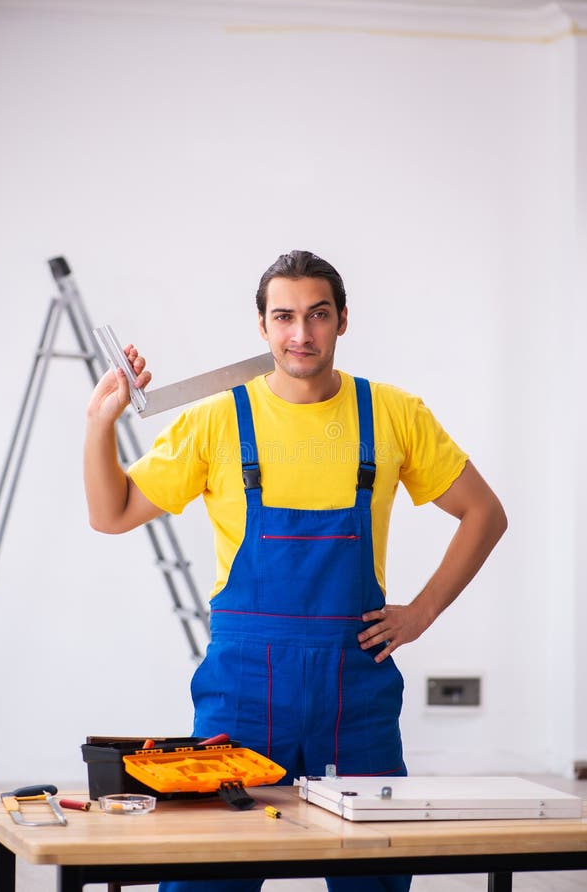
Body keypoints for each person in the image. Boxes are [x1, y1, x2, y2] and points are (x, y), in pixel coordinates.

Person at [84, 250, 507, 892]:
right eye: (284, 316)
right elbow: (110, 514)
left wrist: (421, 613)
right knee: (208, 875)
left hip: (355, 689)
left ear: (342, 322)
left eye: (318, 315)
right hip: (244, 690)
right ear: (261, 326)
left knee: (376, 874)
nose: (300, 333)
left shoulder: (393, 414)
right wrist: (98, 423)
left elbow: (485, 512)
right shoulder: (218, 419)